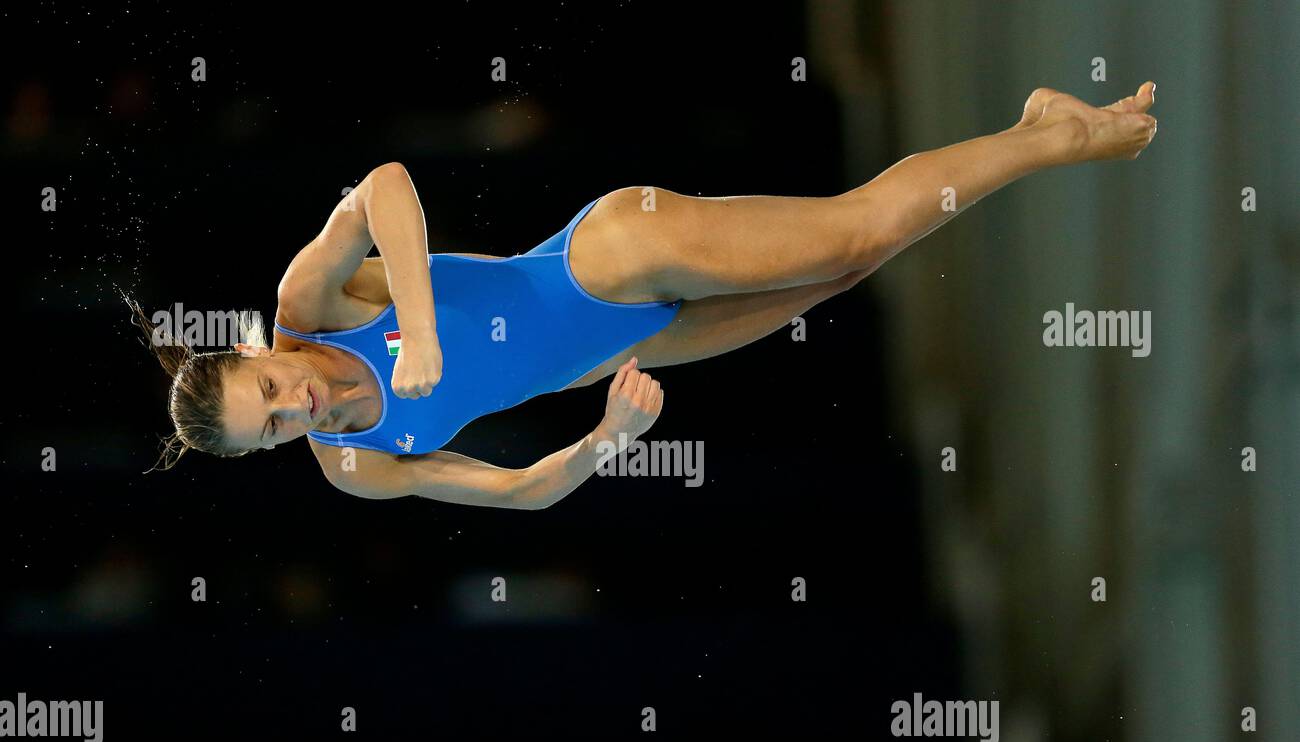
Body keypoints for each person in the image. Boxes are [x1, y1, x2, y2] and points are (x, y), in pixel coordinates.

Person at [136, 83, 1156, 508]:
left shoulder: (311, 301)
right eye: (273, 432)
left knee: (857, 225)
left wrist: (419, 330)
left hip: (612, 257)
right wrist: (605, 443)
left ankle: (1057, 134)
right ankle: (1039, 128)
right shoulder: (353, 465)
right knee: (850, 270)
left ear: (257, 353)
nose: (295, 408)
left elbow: (387, 187)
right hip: (635, 347)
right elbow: (519, 490)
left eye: (268, 389)